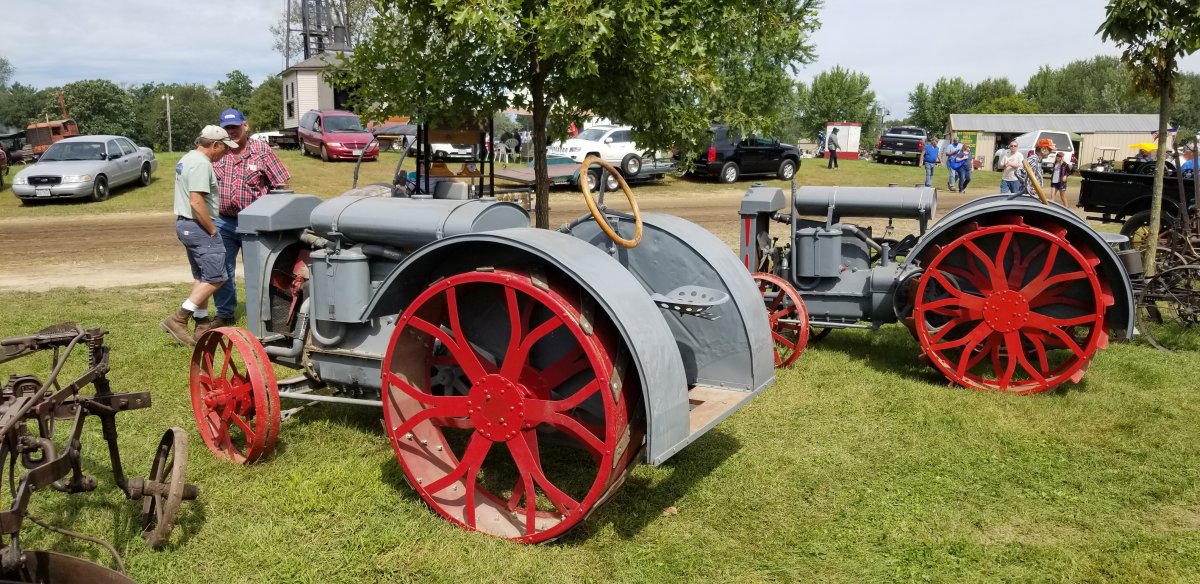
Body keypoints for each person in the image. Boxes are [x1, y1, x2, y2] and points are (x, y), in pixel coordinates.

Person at [212, 109, 291, 329]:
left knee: (260, 269)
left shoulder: (262, 151)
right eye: (227, 128)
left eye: (235, 127)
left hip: (256, 224)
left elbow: (281, 185)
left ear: (245, 126)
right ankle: (225, 313)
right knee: (221, 268)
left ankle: (263, 313)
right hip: (223, 221)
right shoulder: (217, 151)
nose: (231, 131)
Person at [162, 126, 238, 346]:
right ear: (215, 144)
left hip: (186, 225)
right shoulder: (201, 164)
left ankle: (201, 325)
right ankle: (179, 318)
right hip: (199, 226)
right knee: (218, 277)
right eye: (225, 147)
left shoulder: (188, 158)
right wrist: (213, 231)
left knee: (204, 277)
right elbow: (196, 201)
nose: (226, 153)